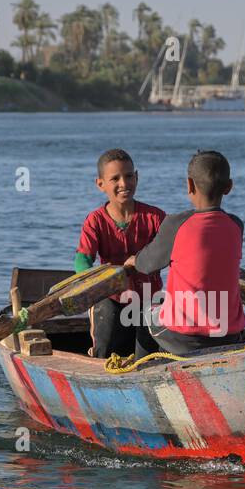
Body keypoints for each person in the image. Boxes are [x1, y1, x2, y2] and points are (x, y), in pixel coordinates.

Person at [127, 150, 245, 357]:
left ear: (189, 185)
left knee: (144, 313)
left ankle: (141, 373)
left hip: (184, 338)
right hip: (230, 334)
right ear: (229, 187)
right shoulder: (236, 225)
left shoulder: (176, 224)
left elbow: (148, 264)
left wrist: (133, 260)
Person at [74, 149, 166, 358]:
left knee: (148, 357)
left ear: (137, 177)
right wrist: (89, 283)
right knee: (104, 338)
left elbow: (172, 252)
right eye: (115, 178)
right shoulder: (95, 221)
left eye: (129, 176)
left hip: (149, 300)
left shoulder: (155, 217)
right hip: (111, 299)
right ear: (100, 184)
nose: (124, 183)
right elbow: (83, 260)